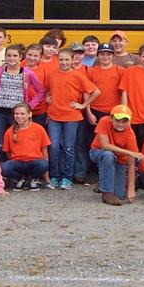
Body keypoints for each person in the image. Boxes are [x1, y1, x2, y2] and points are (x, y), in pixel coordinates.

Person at [43, 47, 98, 190]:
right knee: (54, 147)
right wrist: (48, 97)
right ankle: (54, 176)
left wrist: (83, 105)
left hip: (72, 116)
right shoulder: (52, 74)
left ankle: (67, 177)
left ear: (72, 60)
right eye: (61, 59)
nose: (64, 62)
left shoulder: (78, 76)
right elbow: (46, 89)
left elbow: (95, 92)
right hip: (54, 114)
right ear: (57, 60)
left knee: (68, 147)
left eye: (67, 59)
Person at [0, 45, 46, 157]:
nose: (11, 58)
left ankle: (15, 165)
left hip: (17, 114)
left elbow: (40, 91)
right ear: (5, 57)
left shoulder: (27, 72)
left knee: (16, 140)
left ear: (20, 57)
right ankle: (1, 168)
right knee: (0, 141)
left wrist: (30, 106)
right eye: (9, 55)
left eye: (15, 56)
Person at [80, 43, 125, 182]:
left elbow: (123, 92)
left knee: (112, 143)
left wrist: (122, 112)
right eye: (102, 54)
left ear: (113, 56)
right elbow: (86, 92)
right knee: (93, 143)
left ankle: (113, 173)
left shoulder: (120, 70)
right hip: (95, 111)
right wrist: (88, 112)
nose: (105, 57)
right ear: (98, 56)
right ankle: (93, 172)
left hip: (112, 113)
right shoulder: (91, 71)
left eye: (108, 54)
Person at [89, 107, 144, 206]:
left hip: (120, 160)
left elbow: (131, 165)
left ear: (129, 121)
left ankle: (104, 184)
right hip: (99, 152)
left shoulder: (130, 135)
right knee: (108, 155)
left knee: (120, 195)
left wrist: (131, 190)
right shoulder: (104, 121)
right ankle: (106, 192)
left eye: (124, 121)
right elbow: (105, 145)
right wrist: (129, 152)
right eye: (118, 120)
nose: (121, 124)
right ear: (111, 118)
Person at [0, 104, 52, 190]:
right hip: (18, 163)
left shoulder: (39, 129)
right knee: (4, 168)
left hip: (34, 162)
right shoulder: (9, 131)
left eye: (22, 114)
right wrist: (13, 161)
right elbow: (7, 152)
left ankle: (33, 178)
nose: (19, 116)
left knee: (43, 164)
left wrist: (47, 179)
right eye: (16, 114)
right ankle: (21, 178)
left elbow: (44, 151)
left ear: (29, 114)